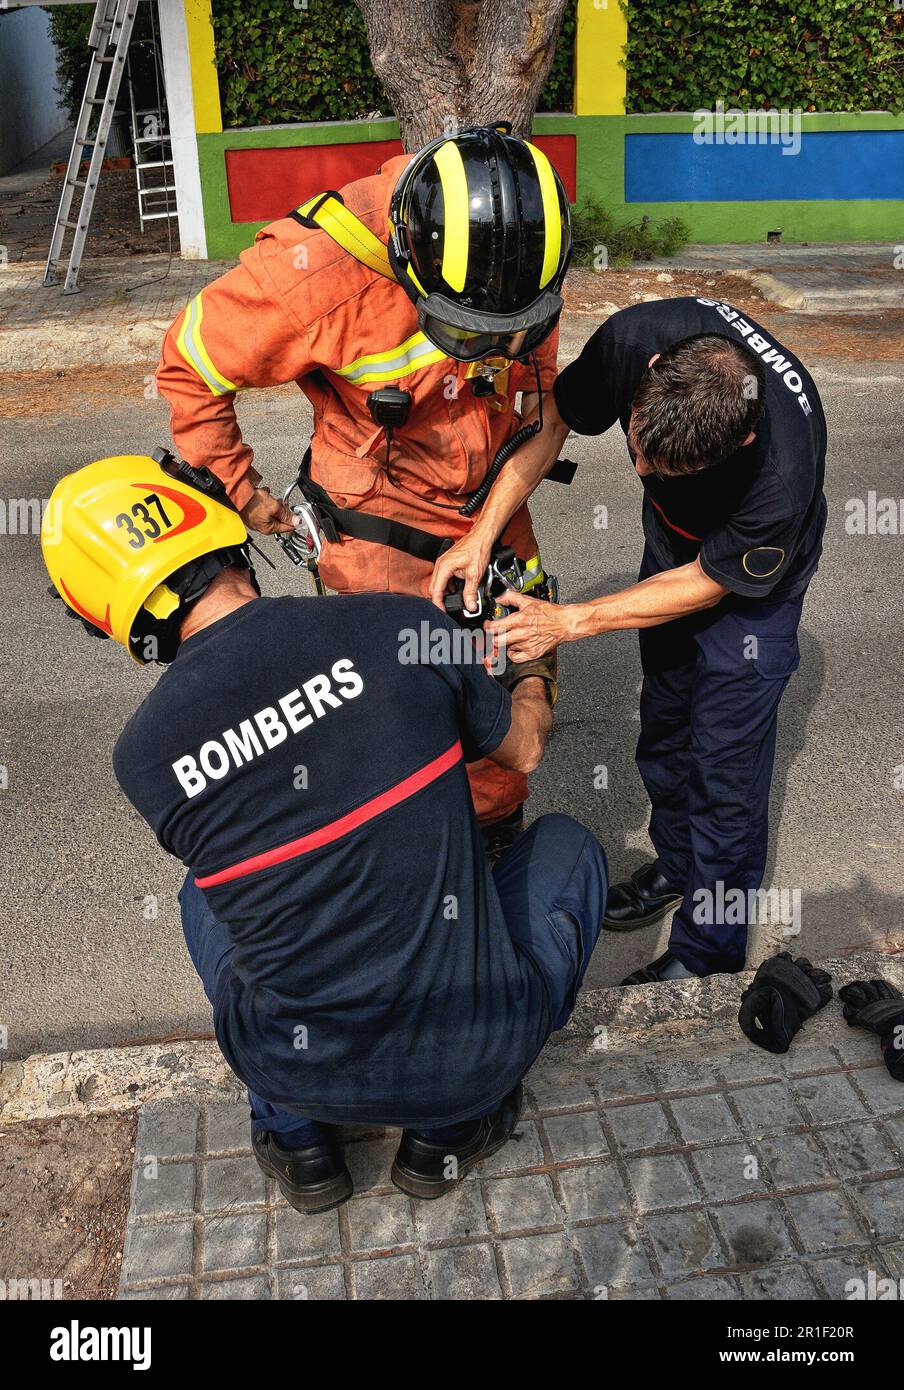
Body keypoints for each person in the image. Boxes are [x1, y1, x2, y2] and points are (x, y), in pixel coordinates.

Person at [41, 454, 608, 1213]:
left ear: (107, 615)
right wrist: (533, 670)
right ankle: (446, 1134)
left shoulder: (141, 758)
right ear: (220, 529)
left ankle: (302, 1147)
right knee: (569, 845)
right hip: (469, 1059)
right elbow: (525, 750)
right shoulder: (398, 625)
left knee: (203, 897)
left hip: (290, 1066)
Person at [155, 123, 572, 854]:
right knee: (398, 706)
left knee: (505, 680)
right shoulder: (315, 274)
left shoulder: (520, 254)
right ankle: (407, 861)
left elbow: (544, 402)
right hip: (377, 525)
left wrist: (488, 527)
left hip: (491, 505)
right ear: (412, 262)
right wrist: (242, 492)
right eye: (469, 332)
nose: (499, 348)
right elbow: (191, 364)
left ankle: (490, 845)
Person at [432, 297, 827, 985]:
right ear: (648, 374)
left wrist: (573, 621)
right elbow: (554, 421)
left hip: (743, 587)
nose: (639, 472)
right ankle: (678, 865)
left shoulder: (781, 474)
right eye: (637, 449)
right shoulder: (637, 339)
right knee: (668, 722)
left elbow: (708, 584)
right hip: (675, 546)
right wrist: (481, 534)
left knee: (726, 774)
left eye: (662, 468)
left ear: (736, 445)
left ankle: (708, 955)